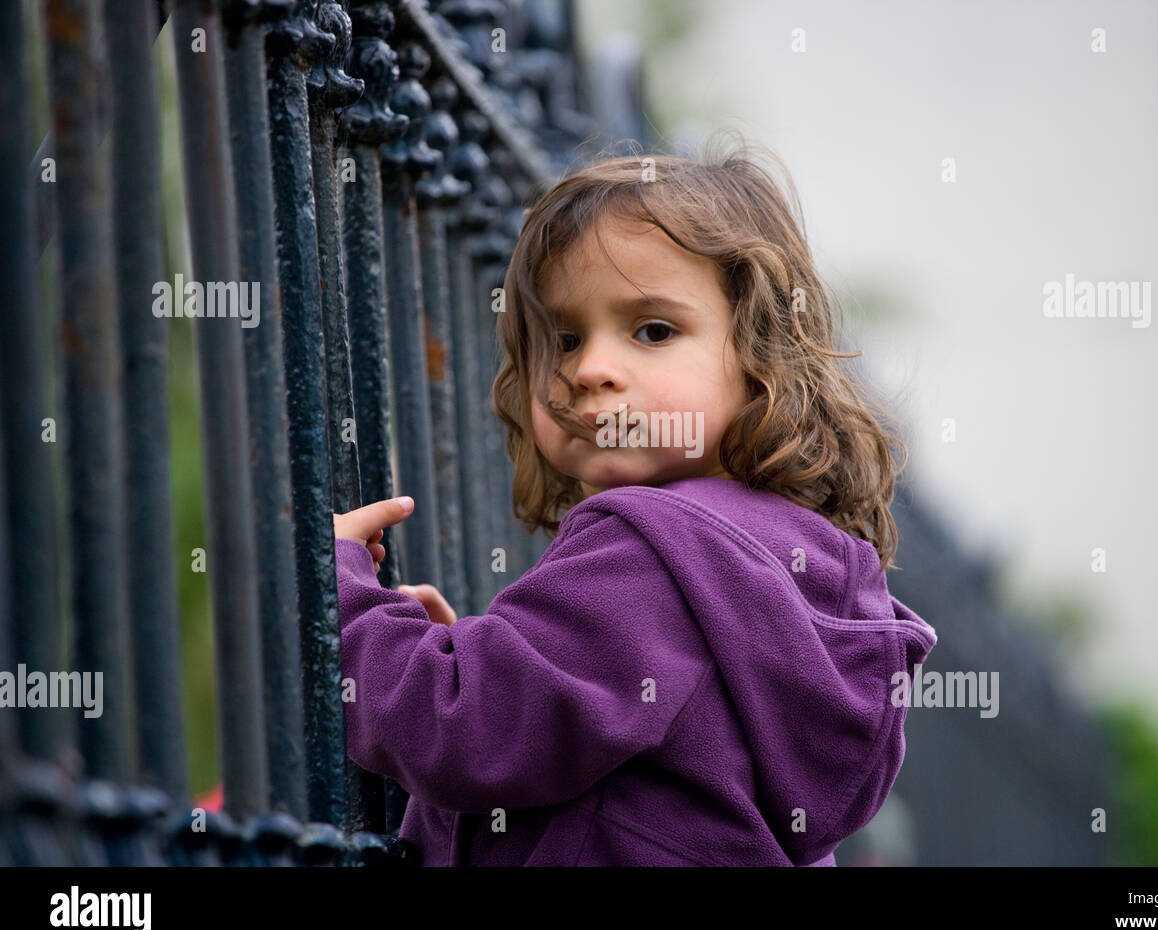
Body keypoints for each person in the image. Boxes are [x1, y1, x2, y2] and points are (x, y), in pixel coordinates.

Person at [332, 138, 938, 866]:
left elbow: (463, 732)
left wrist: (347, 609)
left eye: (653, 329)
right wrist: (479, 658)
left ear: (758, 357)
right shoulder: (768, 563)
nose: (590, 369)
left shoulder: (654, 551)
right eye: (562, 338)